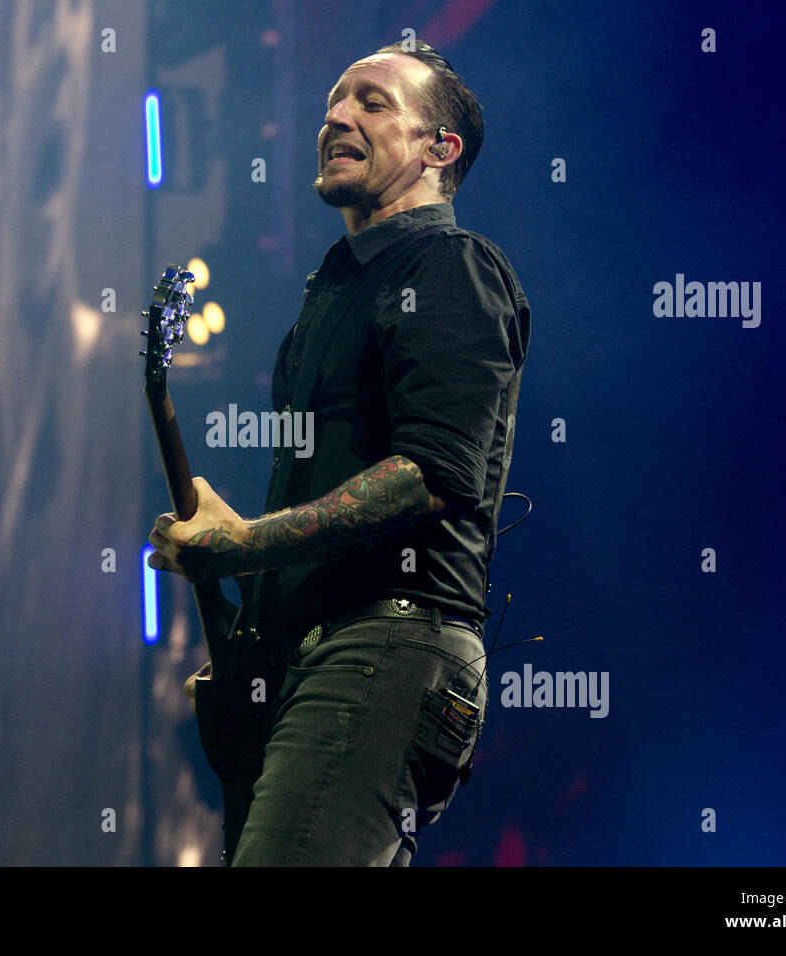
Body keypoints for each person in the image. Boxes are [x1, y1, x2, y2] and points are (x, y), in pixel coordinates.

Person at [148, 39, 531, 865]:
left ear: (440, 149)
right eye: (332, 102)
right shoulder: (332, 294)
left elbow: (431, 477)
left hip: (386, 651)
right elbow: (338, 515)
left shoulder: (450, 265)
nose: (336, 117)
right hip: (332, 660)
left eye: (372, 102)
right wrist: (248, 579)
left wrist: (248, 543)